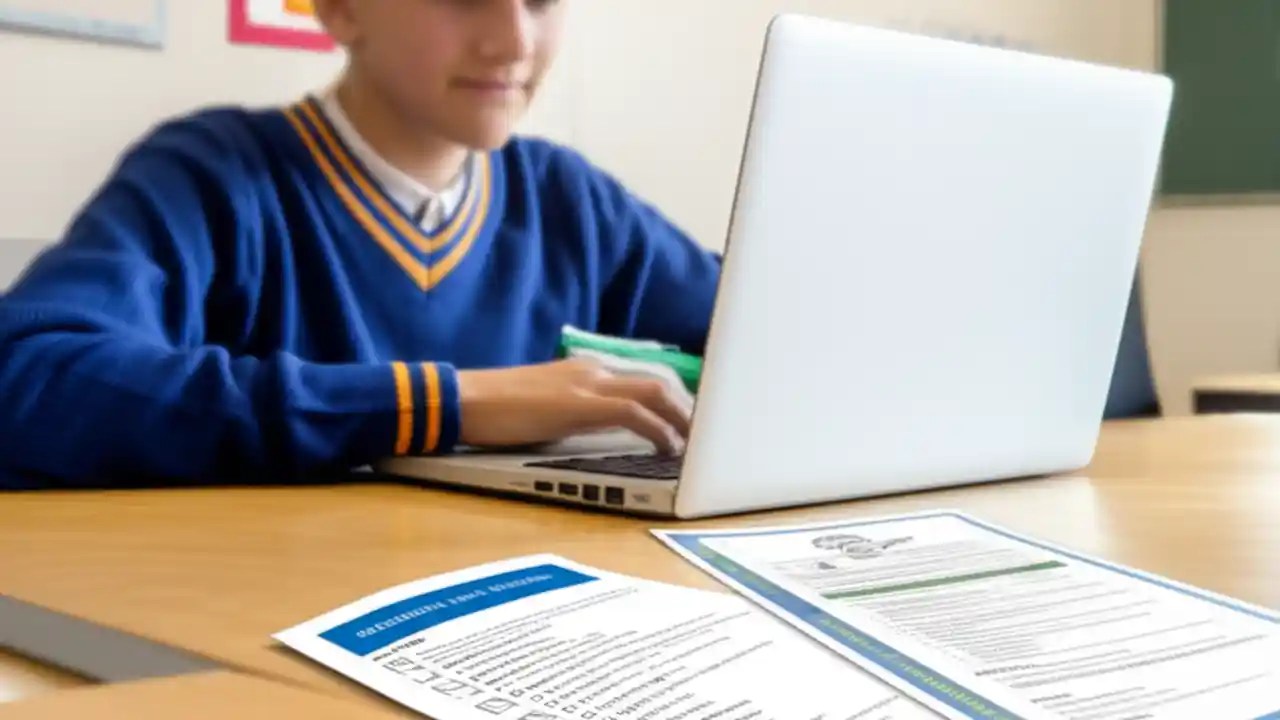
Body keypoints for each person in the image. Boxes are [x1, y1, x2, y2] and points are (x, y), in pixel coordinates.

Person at [0, 0, 721, 489]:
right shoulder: (213, 178)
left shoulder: (570, 199)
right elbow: (28, 378)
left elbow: (758, 327)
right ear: (340, 7)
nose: (514, 42)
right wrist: (444, 402)